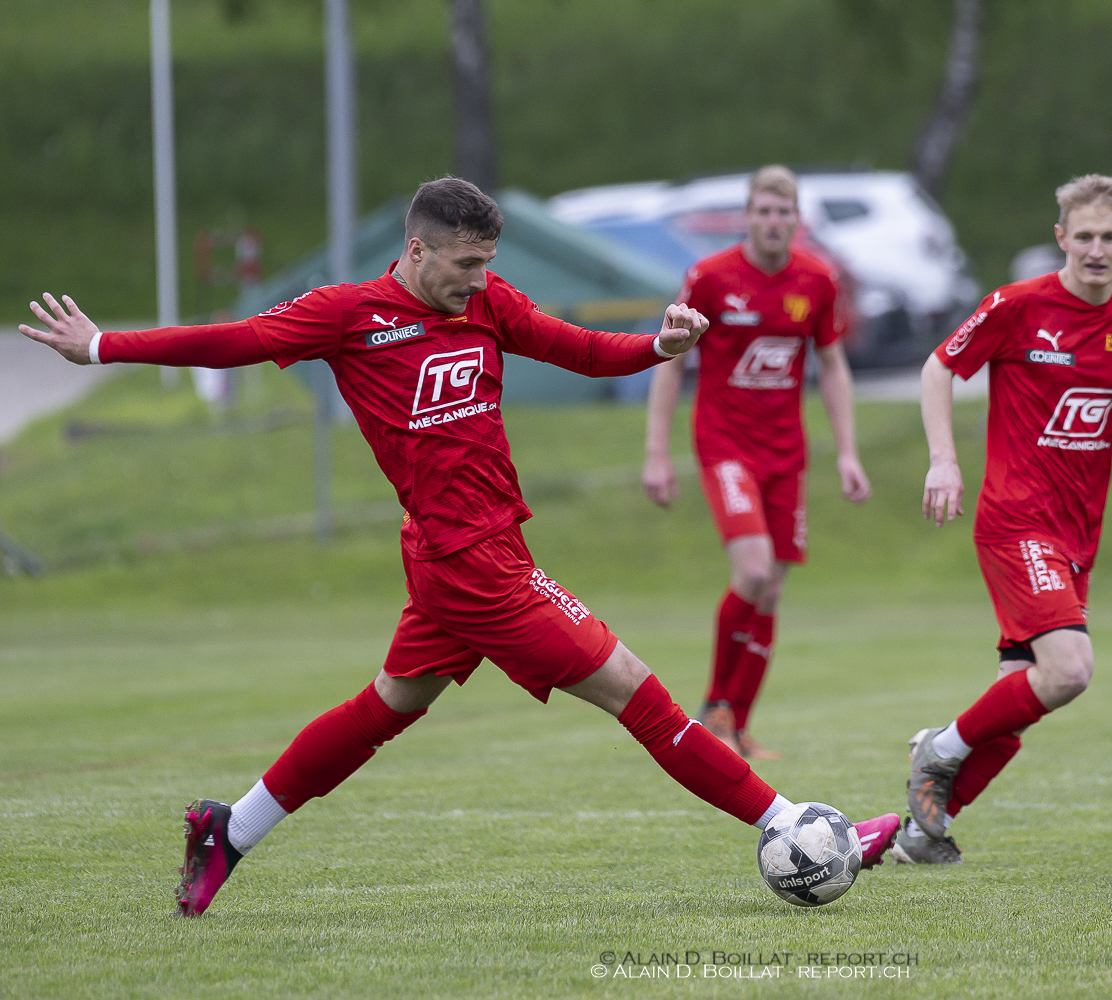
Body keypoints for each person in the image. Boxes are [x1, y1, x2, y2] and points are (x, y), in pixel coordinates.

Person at [19, 177, 900, 916]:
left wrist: (656, 346)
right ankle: (797, 828)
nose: (480, 281)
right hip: (471, 567)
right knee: (638, 692)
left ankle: (230, 829)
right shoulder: (349, 316)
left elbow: (580, 349)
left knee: (387, 707)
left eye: (488, 265)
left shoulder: (489, 302)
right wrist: (102, 346)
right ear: (417, 250)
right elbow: (235, 341)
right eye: (466, 264)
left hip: (470, 555)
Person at [896, 174, 1112, 864]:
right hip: (1014, 520)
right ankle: (938, 750)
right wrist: (943, 460)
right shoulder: (1016, 306)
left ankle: (921, 831)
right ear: (1062, 238)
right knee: (1069, 670)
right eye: (1084, 237)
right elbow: (938, 369)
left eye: (1109, 238)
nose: (1096, 250)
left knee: (1022, 693)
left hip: (1076, 535)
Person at [642, 165, 871, 760]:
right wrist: (657, 453)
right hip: (724, 446)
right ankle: (714, 710)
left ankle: (738, 727)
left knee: (770, 592)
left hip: (786, 454)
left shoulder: (816, 281)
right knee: (753, 570)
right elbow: (670, 361)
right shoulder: (711, 279)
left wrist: (847, 452)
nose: (774, 222)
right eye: (764, 211)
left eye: (784, 213)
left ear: (797, 220)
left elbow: (835, 367)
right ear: (748, 216)